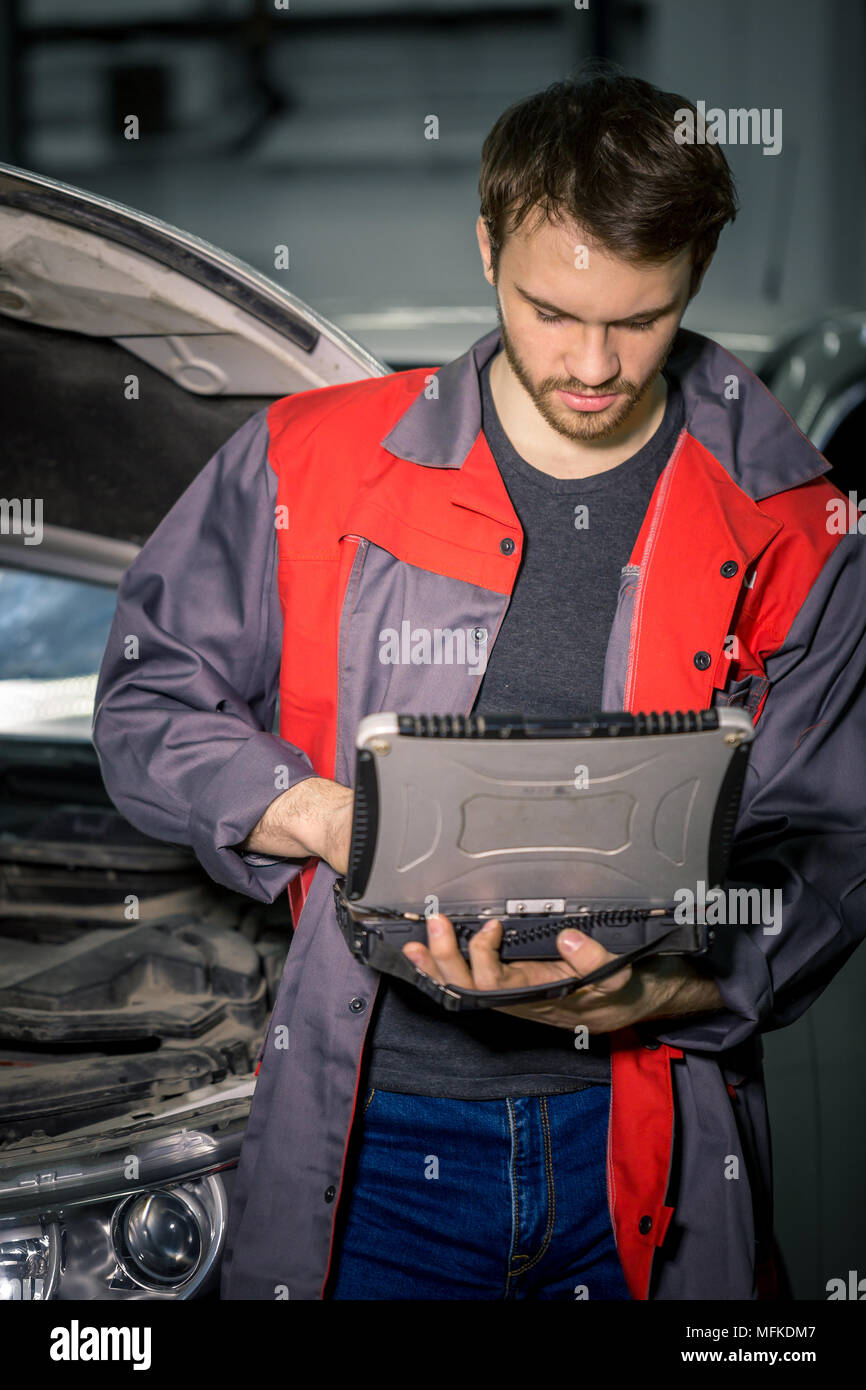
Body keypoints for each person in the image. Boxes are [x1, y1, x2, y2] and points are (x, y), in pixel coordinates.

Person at [91, 65, 866, 1301]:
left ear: (696, 277)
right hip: (367, 1144)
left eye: (642, 317)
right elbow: (146, 701)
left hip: (641, 1145)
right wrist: (326, 818)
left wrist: (656, 990)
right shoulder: (312, 463)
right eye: (551, 311)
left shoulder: (792, 523)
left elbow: (830, 850)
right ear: (486, 245)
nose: (596, 364)